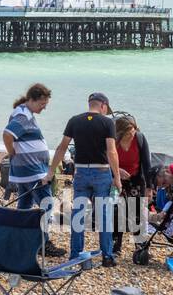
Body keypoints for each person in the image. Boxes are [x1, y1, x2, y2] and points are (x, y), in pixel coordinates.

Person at [50, 92, 121, 266]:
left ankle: (75, 255)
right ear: (103, 106)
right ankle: (107, 257)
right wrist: (117, 176)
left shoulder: (75, 120)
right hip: (102, 172)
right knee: (104, 215)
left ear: (90, 103)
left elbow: (62, 148)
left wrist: (51, 171)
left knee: (78, 215)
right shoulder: (107, 122)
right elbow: (111, 151)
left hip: (81, 172)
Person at [3, 83, 65, 256]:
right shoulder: (23, 115)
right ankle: (42, 243)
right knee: (46, 204)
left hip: (25, 171)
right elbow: (7, 134)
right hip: (32, 170)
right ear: (32, 99)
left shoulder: (24, 112)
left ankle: (19, 239)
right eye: (42, 104)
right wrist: (11, 152)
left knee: (25, 206)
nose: (44, 108)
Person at [111, 116, 153, 256]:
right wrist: (117, 171)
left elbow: (147, 164)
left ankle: (139, 244)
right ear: (120, 133)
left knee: (137, 211)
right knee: (118, 210)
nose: (132, 135)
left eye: (133, 131)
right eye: (128, 133)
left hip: (136, 179)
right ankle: (116, 245)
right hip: (117, 179)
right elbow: (106, 160)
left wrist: (149, 187)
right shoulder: (113, 141)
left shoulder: (140, 139)